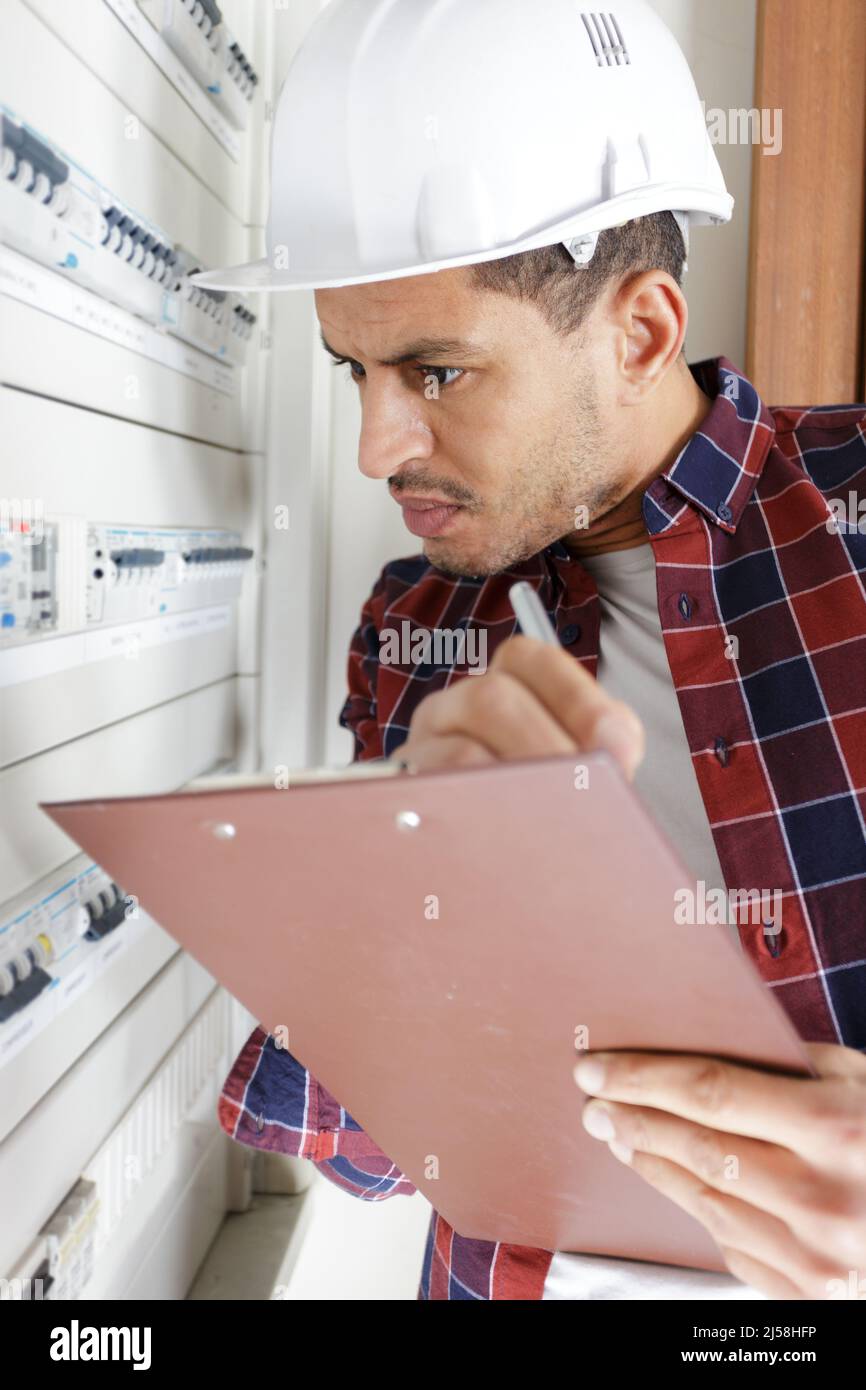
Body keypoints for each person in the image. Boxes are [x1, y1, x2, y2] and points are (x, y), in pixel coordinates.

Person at [201, 0, 866, 1300]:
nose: (375, 446)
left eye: (434, 372)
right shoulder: (413, 629)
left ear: (639, 332)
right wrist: (396, 888)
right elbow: (379, 1156)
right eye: (353, 372)